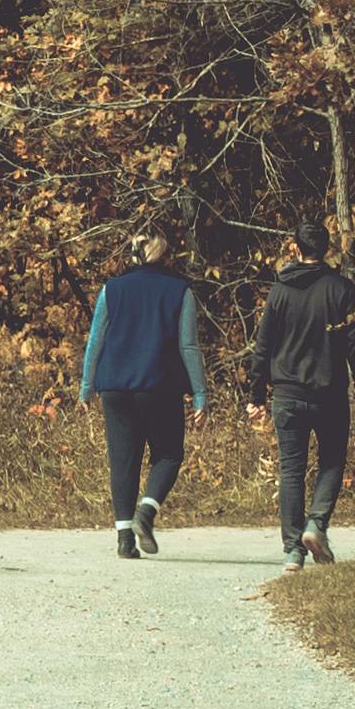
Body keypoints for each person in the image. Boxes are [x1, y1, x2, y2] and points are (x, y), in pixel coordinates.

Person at [77, 228, 211, 556]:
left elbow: (96, 340)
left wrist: (86, 387)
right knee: (169, 454)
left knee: (123, 460)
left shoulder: (112, 289)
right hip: (159, 385)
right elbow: (188, 346)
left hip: (115, 387)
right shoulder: (180, 291)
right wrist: (200, 394)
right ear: (165, 255)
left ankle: (125, 540)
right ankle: (147, 512)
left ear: (134, 255)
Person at [251, 219, 355, 567]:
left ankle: (294, 549)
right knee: (332, 461)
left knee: (291, 470)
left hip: (287, 393)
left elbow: (263, 347)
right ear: (327, 249)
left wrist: (256, 395)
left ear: (295, 248)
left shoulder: (280, 291)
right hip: (329, 392)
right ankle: (316, 523)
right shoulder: (342, 289)